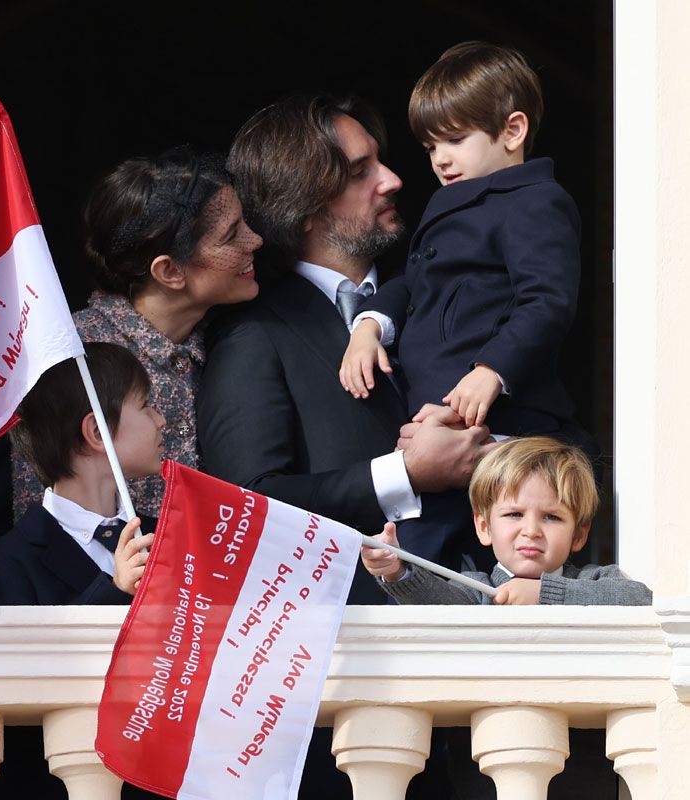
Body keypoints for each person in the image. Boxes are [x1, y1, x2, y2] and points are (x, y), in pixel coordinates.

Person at [198, 94, 494, 555]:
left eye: (381, 161)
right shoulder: (254, 334)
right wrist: (404, 474)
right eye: (361, 173)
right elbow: (245, 507)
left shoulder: (451, 286)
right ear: (303, 208)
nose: (393, 180)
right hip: (360, 618)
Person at [340, 42, 594, 568]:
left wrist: (493, 370)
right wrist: (368, 325)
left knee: (513, 549)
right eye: (432, 146)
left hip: (504, 424)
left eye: (455, 139)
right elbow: (413, 284)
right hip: (439, 424)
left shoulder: (534, 201)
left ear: (512, 130)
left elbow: (545, 301)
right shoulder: (448, 205)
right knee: (424, 554)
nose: (440, 159)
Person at [12, 146, 262, 520]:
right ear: (170, 272)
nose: (255, 240)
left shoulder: (230, 338)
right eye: (231, 237)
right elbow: (44, 525)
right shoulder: (73, 360)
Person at [363, 436, 651, 606]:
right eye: (514, 514)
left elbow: (637, 597)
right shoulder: (475, 589)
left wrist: (542, 594)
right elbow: (436, 601)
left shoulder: (591, 580)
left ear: (578, 534)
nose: (531, 531)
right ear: (484, 527)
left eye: (551, 517)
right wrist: (396, 570)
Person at [0, 343, 163, 606]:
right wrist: (116, 591)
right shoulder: (11, 561)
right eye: (145, 405)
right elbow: (39, 646)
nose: (160, 420)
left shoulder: (163, 535)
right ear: (96, 431)